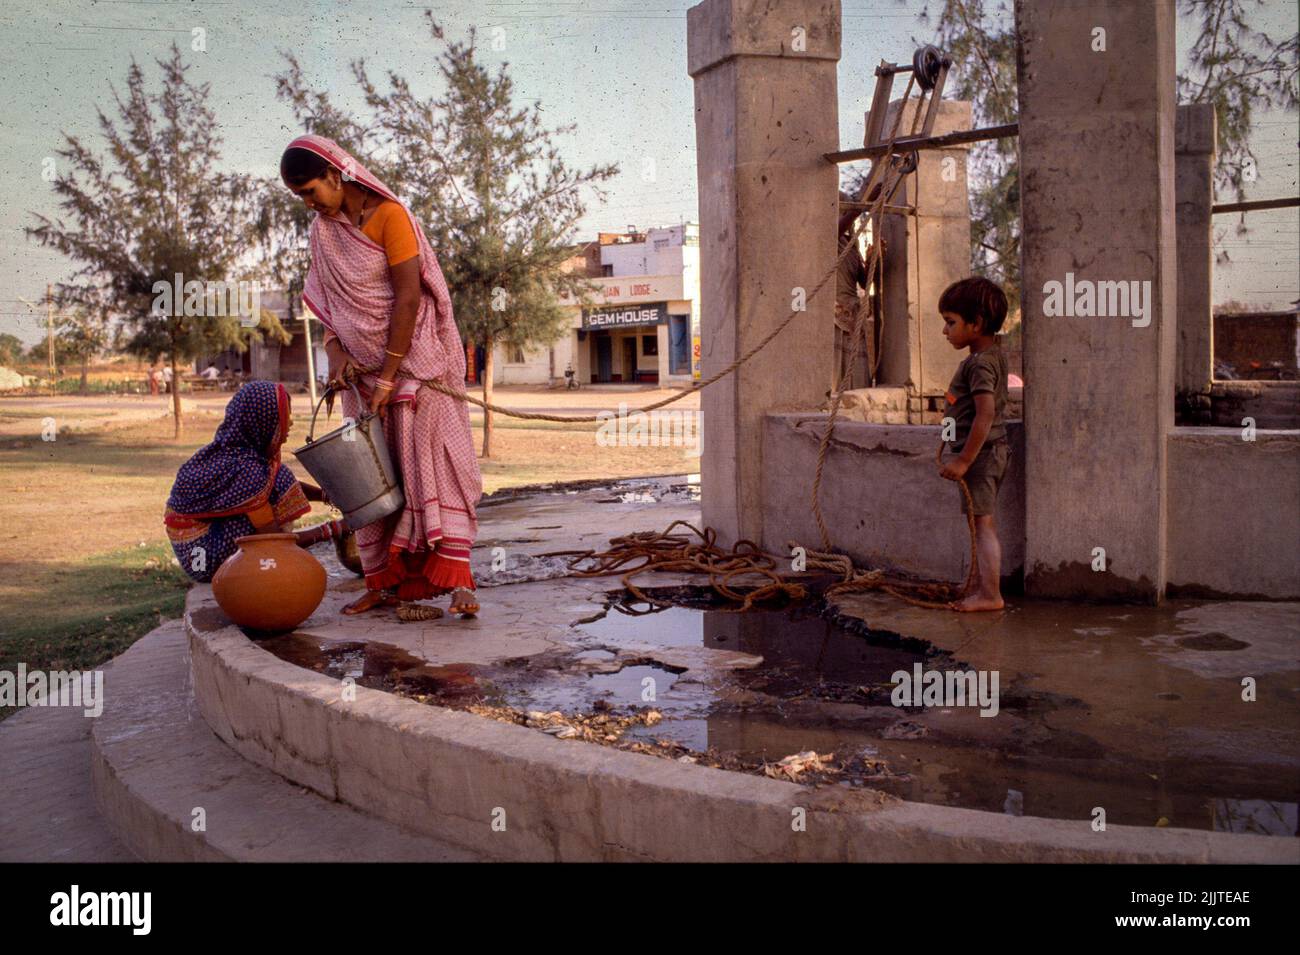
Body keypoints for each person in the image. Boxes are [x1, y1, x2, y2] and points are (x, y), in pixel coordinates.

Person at [280, 135, 482, 617]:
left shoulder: (392, 217)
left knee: (432, 470)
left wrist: (392, 373)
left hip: (417, 369)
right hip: (360, 379)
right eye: (301, 198)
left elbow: (409, 298)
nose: (309, 204)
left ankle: (459, 584)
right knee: (371, 480)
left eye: (312, 192)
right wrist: (334, 350)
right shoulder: (323, 232)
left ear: (336, 174)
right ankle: (383, 582)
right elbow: (328, 306)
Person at [165, 380, 341, 583]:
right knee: (277, 482)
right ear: (263, 422)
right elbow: (273, 540)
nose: (290, 423)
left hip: (197, 548)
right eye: (285, 416)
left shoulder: (231, 452)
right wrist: (333, 529)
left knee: (276, 477)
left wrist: (327, 495)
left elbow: (269, 485)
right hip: (204, 556)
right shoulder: (247, 471)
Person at [937, 276, 1010, 613]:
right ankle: (980, 586)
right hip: (988, 453)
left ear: (976, 324)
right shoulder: (990, 355)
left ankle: (990, 595)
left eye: (951, 322)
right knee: (981, 523)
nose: (945, 331)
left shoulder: (979, 363)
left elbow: (985, 414)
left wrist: (964, 461)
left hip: (980, 457)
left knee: (983, 525)